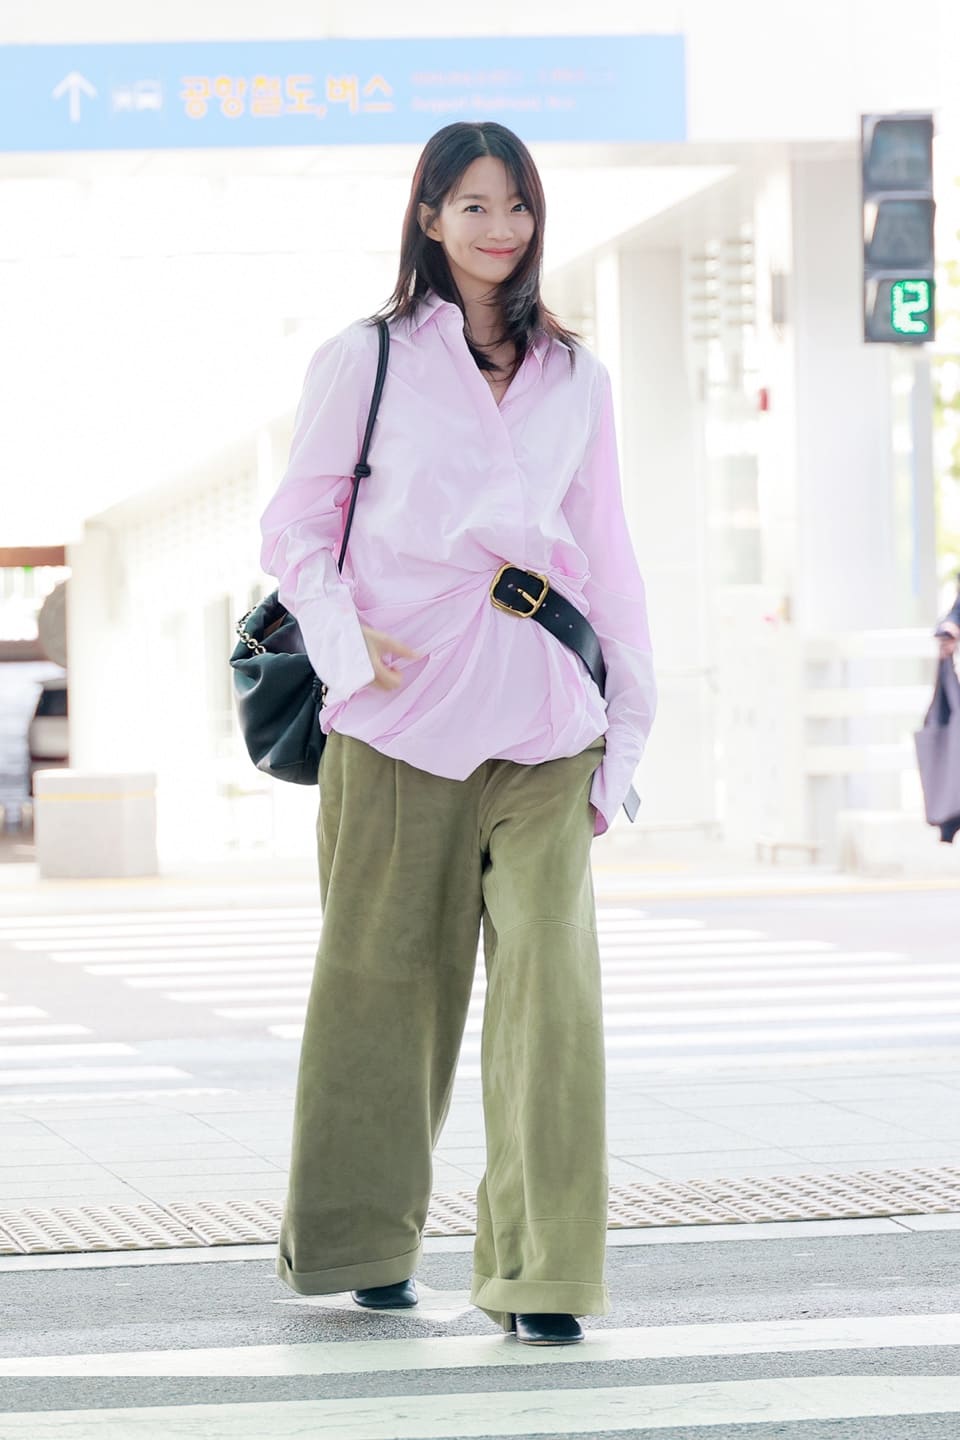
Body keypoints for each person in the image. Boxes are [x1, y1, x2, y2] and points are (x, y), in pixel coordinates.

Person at [259, 121, 656, 1347]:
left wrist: (627, 735)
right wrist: (340, 643)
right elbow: (294, 527)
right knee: (383, 991)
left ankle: (541, 1274)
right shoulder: (364, 358)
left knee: (553, 999)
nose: (500, 228)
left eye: (518, 206)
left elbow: (613, 559)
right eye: (473, 205)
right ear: (428, 216)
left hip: (544, 716)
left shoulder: (577, 376)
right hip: (397, 712)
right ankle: (362, 1243)